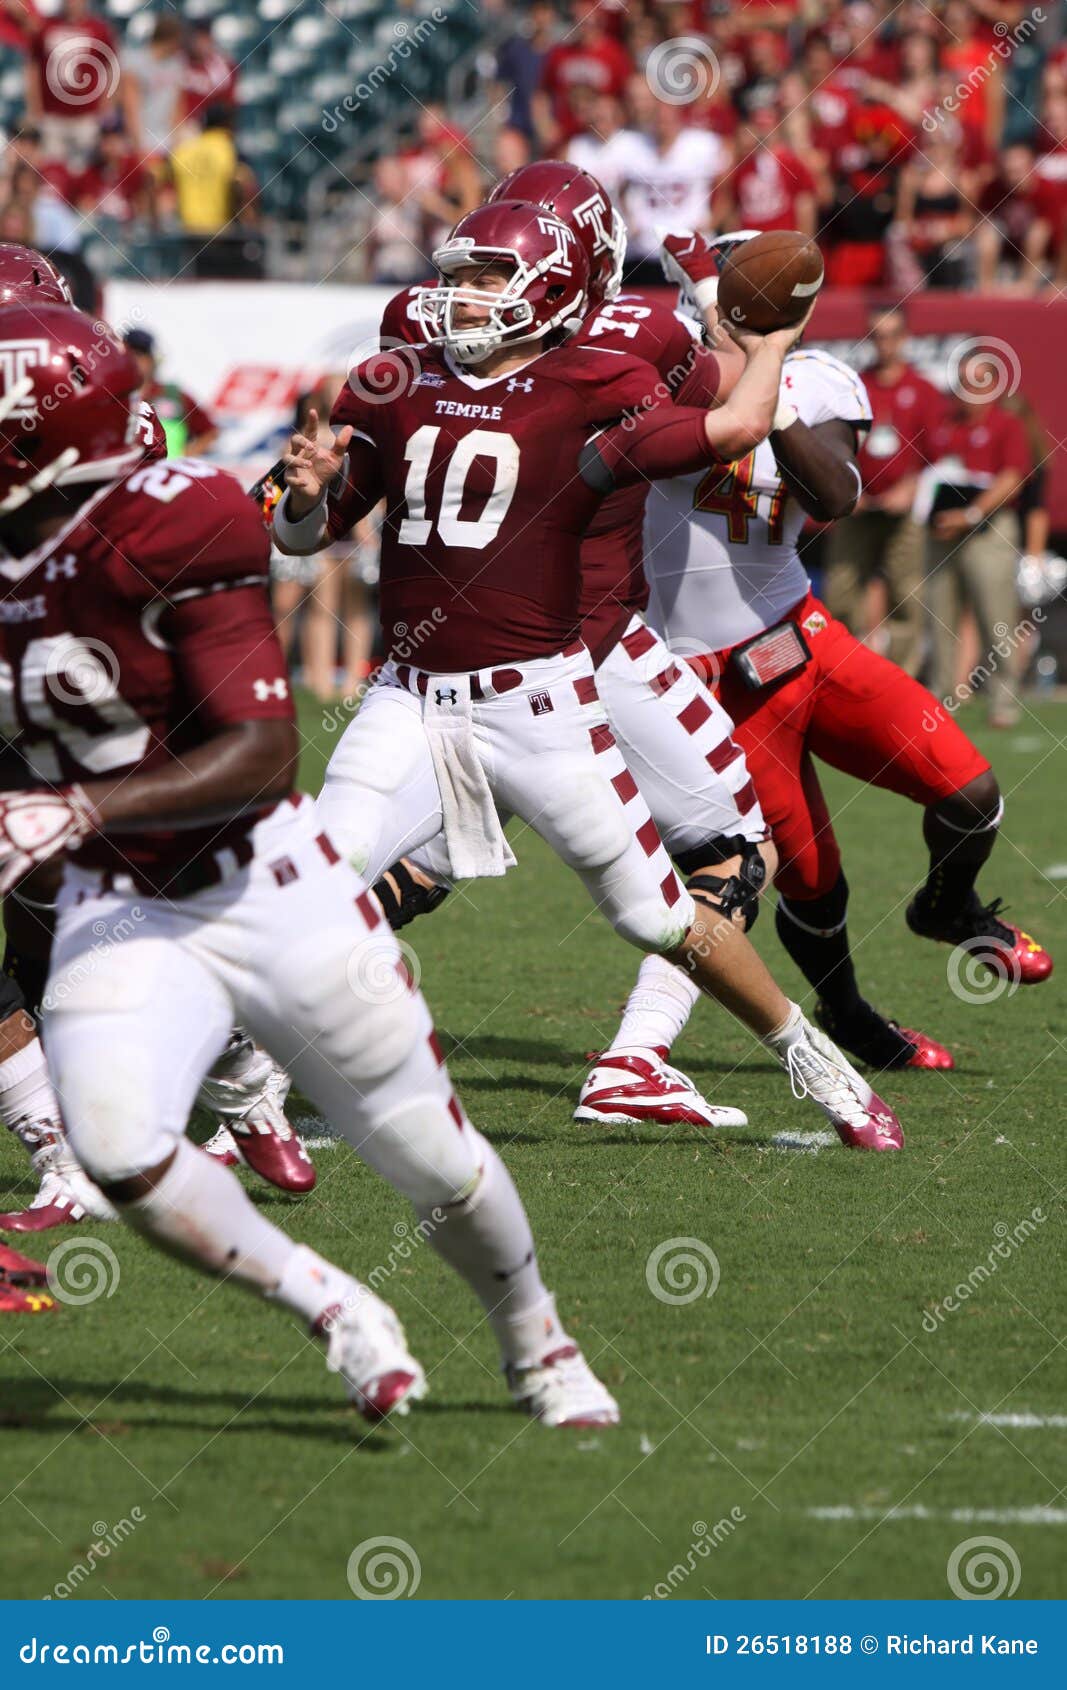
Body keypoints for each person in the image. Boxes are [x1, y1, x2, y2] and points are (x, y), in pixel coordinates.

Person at [0, 301, 617, 1428]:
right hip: (118, 902)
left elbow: (261, 752)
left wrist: (69, 809)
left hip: (265, 879)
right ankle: (335, 1306)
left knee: (430, 1154)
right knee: (120, 1149)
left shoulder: (172, 518)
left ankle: (537, 1335)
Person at [274, 192, 904, 1152]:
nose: (460, 299)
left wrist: (753, 331)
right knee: (317, 880)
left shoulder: (595, 381)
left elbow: (736, 426)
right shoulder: (401, 372)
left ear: (558, 282)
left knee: (660, 910)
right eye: (459, 277)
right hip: (414, 689)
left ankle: (804, 1058)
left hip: (550, 683)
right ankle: (244, 1090)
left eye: (488, 278)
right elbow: (301, 523)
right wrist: (298, 500)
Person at [601, 229, 1050, 1099]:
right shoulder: (660, 372)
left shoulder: (816, 380)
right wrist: (725, 357)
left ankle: (944, 906)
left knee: (970, 793)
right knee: (808, 879)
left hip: (801, 638)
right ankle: (847, 1015)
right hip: (709, 678)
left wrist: (766, 387)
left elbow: (836, 494)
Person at [823, 306, 944, 674]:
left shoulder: (923, 389)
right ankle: (847, 670)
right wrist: (848, 487)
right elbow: (832, 444)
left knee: (907, 592)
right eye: (876, 336)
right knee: (841, 588)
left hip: (903, 510)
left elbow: (939, 455)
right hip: (858, 505)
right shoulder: (855, 386)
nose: (884, 344)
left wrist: (912, 486)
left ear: (905, 338)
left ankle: (904, 675)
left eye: (891, 335)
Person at [920, 349, 1033, 728]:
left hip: (988, 529)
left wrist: (970, 513)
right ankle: (942, 696)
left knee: (995, 615)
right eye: (963, 382)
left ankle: (1003, 700)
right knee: (940, 615)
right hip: (943, 529)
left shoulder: (1006, 424)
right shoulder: (945, 423)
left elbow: (1012, 477)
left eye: (976, 382)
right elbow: (927, 469)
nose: (968, 391)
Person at [23, 0, 121, 169]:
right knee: (53, 170)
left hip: (87, 115)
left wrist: (107, 103)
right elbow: (33, 67)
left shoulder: (99, 29)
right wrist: (34, 104)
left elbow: (112, 67)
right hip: (52, 114)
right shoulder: (45, 26)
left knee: (85, 170)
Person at [121, 326, 216, 457]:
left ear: (152, 359)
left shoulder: (176, 396)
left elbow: (210, 432)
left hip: (167, 469)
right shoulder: (112, 397)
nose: (134, 361)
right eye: (128, 355)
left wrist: (186, 456)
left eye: (139, 354)